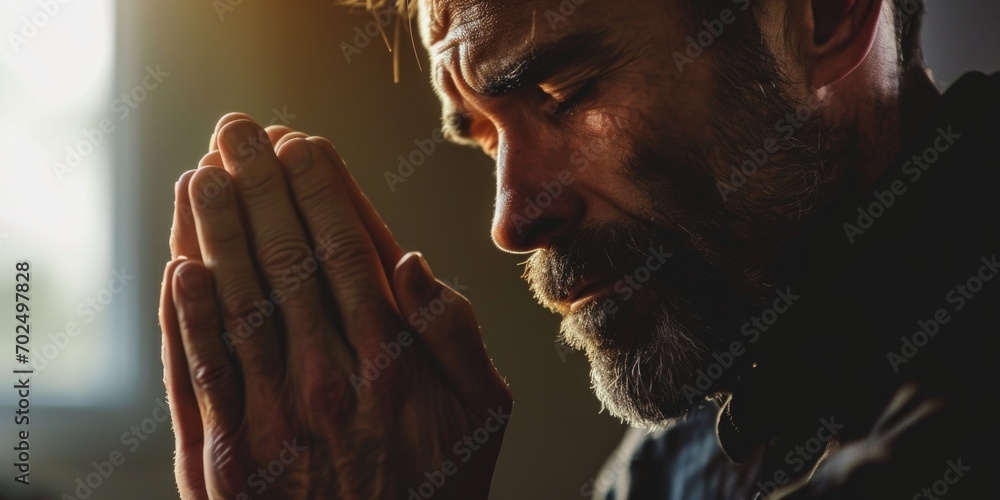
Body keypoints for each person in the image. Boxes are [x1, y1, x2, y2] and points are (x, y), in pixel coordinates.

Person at [158, 0, 997, 498]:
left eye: (566, 92)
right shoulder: (680, 464)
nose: (511, 221)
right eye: (485, 138)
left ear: (824, 14)